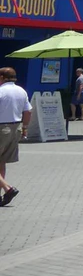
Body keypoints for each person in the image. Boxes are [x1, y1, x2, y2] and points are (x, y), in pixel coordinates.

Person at [0, 67, 32, 207]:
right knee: (2, 162)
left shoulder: (1, 91)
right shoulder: (22, 91)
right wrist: (25, 128)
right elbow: (28, 111)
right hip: (16, 127)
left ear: (2, 77)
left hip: (1, 127)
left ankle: (8, 189)